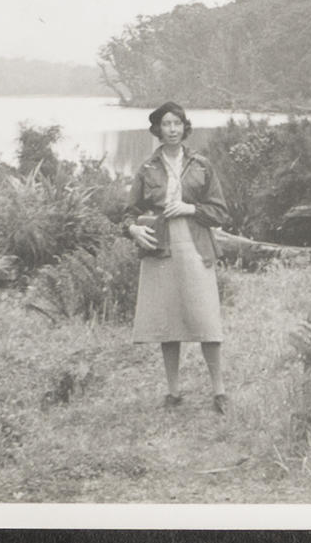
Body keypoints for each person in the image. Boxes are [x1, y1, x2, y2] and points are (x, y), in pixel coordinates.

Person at [123, 101, 231, 413]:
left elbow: (221, 211)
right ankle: (173, 392)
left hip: (195, 245)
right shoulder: (147, 169)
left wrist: (191, 208)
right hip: (161, 248)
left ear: (185, 127)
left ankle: (219, 392)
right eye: (166, 124)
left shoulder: (201, 166)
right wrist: (133, 230)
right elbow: (129, 212)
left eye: (177, 123)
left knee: (206, 319)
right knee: (167, 320)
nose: (171, 130)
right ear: (157, 129)